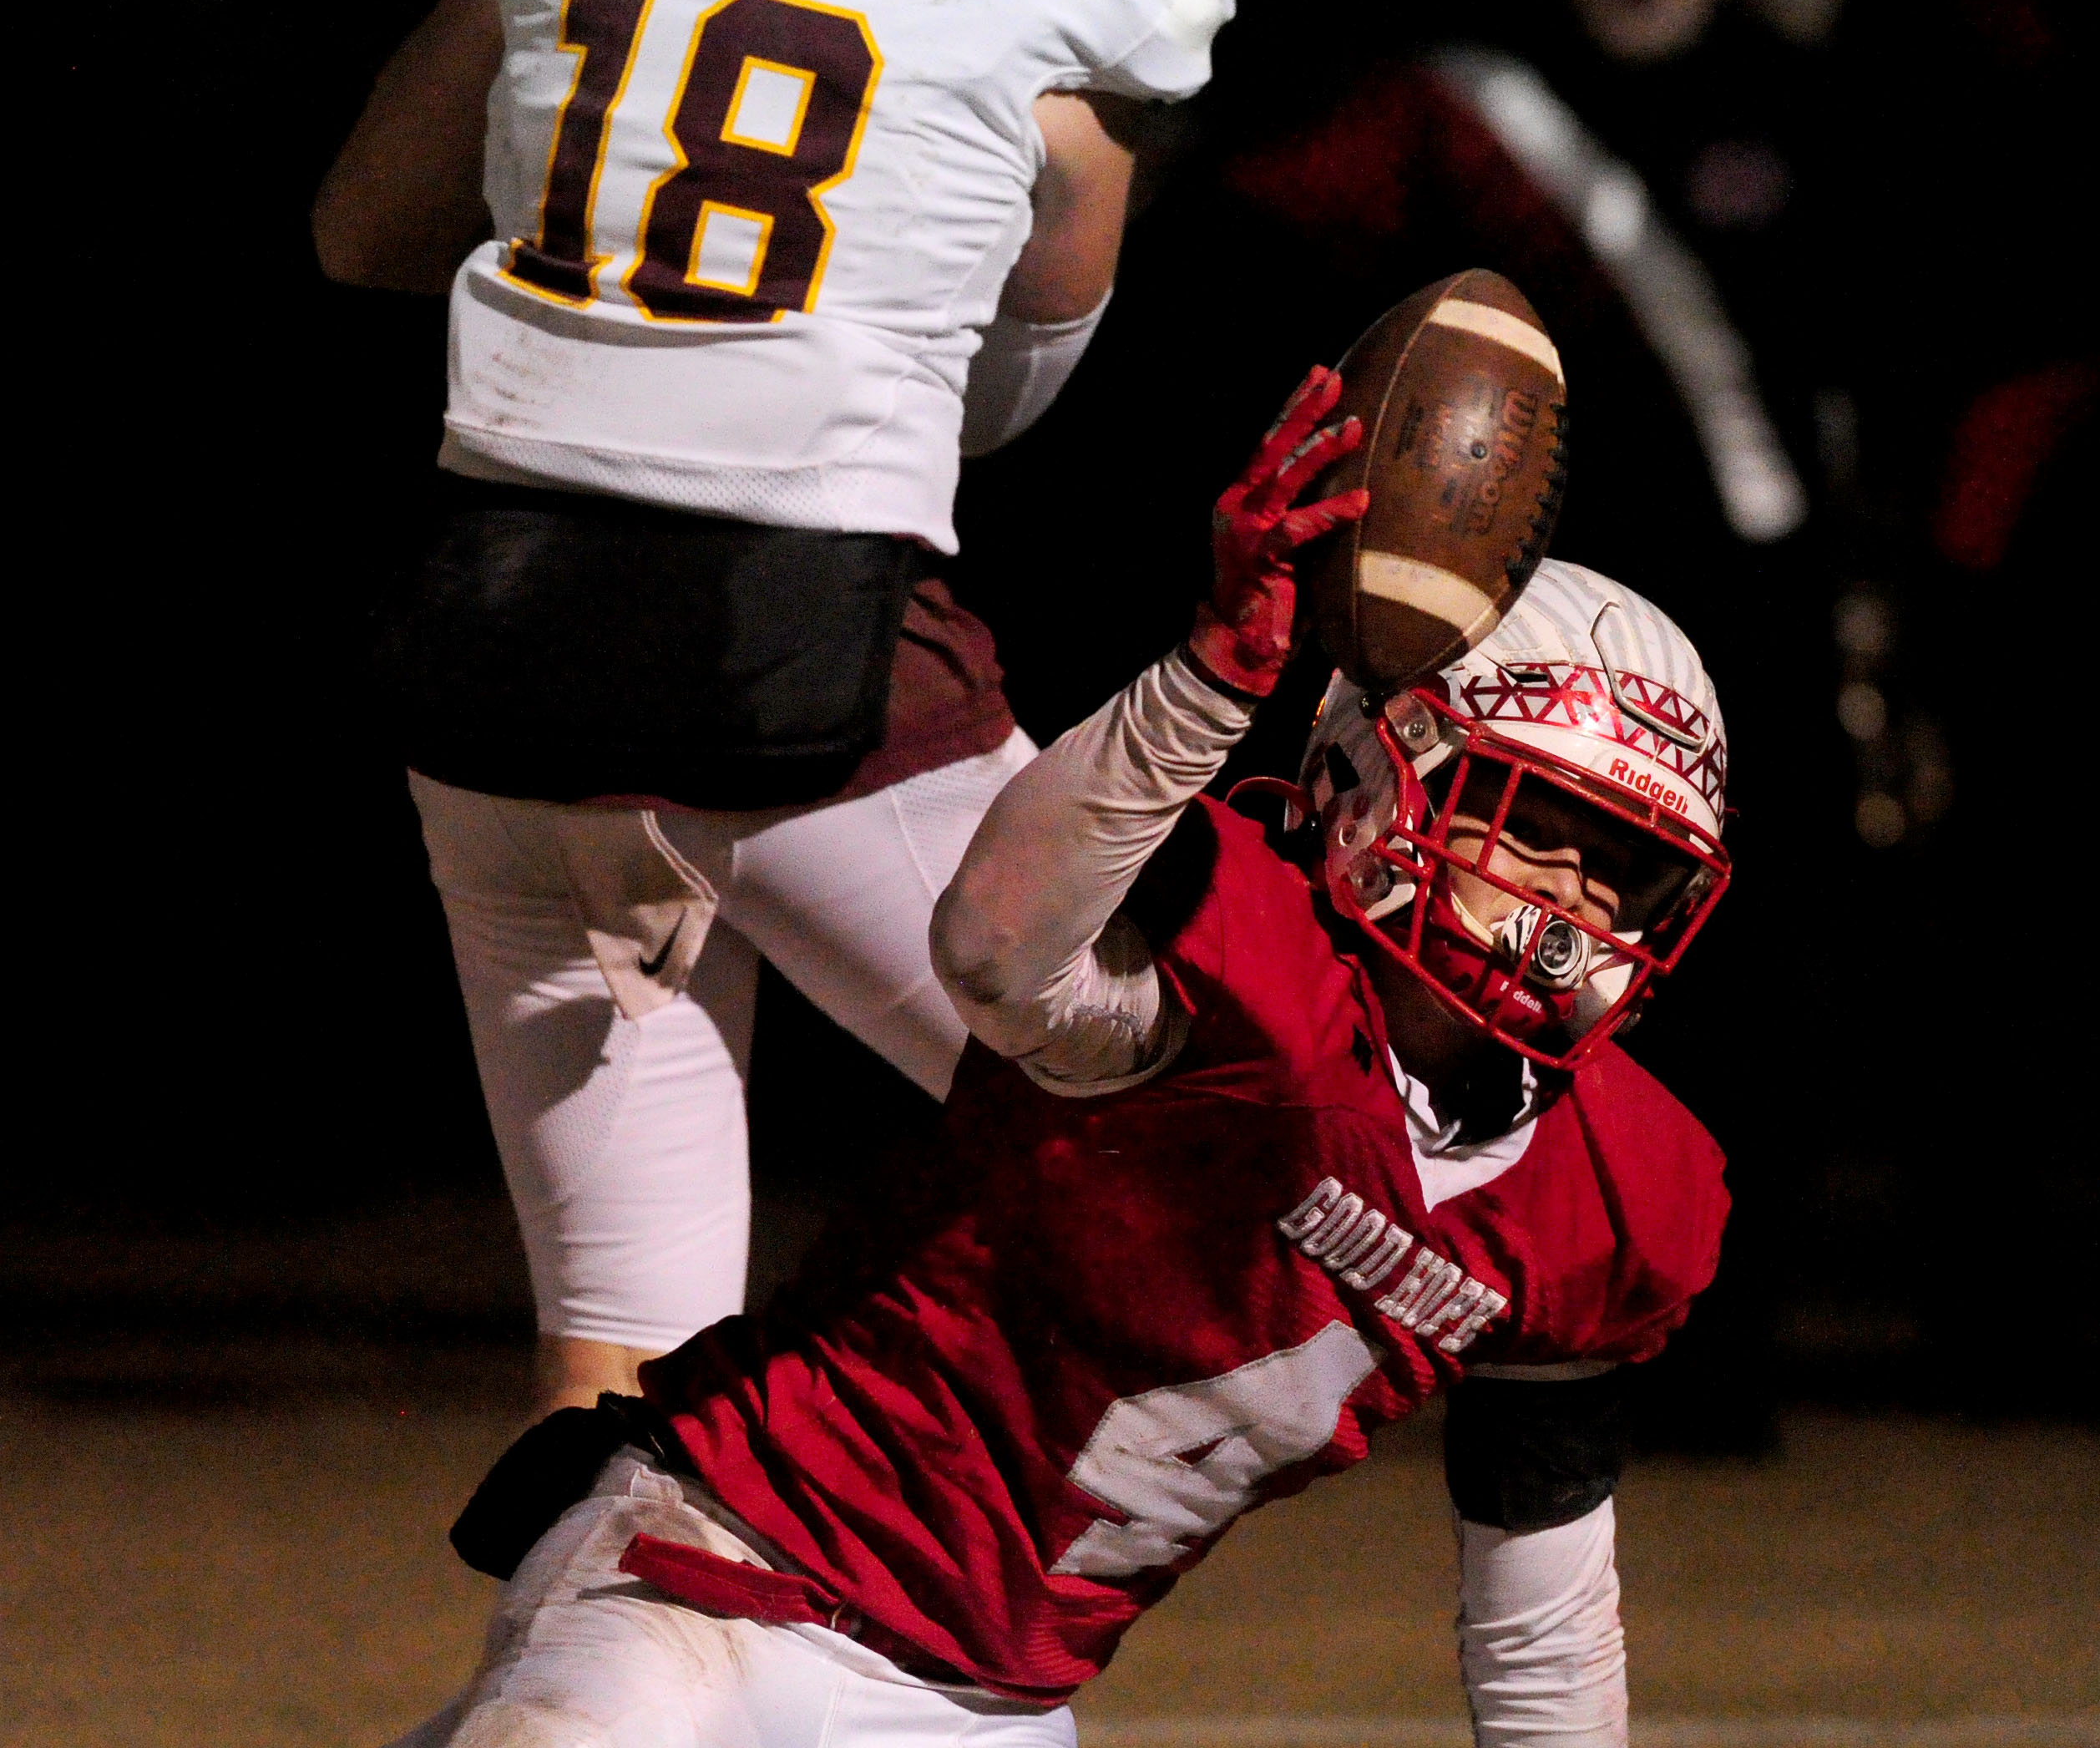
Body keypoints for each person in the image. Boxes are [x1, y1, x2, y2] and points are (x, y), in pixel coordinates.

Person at [386, 370, 1733, 1748]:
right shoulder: (1242, 964)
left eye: (1625, 872)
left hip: (991, 1709)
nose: (1568, 898)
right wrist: (1210, 676)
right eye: (1531, 825)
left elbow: (1544, 1625)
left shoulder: (1622, 1193)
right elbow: (990, 949)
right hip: (717, 1572)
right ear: (1369, 789)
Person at [310, 0, 1234, 1414]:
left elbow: (361, 231)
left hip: (499, 655)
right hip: (808, 671)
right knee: (1225, 1155)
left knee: (617, 1335)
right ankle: (912, 1635)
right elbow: (994, 411)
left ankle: (591, 1668)